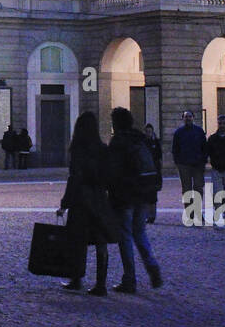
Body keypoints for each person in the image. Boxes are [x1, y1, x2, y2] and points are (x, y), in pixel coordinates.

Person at [57, 112, 122, 295]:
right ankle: (100, 284)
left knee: (77, 241)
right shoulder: (102, 148)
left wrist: (64, 203)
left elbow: (74, 178)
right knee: (100, 240)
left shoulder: (78, 149)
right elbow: (109, 176)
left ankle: (76, 278)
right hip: (99, 199)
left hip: (81, 200)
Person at [104, 107, 162, 292]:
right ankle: (153, 267)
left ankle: (129, 279)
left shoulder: (118, 141)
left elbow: (112, 171)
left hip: (126, 195)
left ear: (116, 123)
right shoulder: (141, 138)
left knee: (126, 236)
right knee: (140, 233)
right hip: (144, 193)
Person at [172, 111, 207, 201]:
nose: (188, 118)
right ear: (183, 118)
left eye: (190, 116)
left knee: (198, 188)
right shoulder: (178, 132)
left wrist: (203, 161)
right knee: (186, 189)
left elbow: (204, 147)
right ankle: (189, 211)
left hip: (197, 164)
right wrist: (178, 162)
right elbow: (175, 148)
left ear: (193, 118)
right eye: (186, 116)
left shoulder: (199, 131)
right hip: (184, 164)